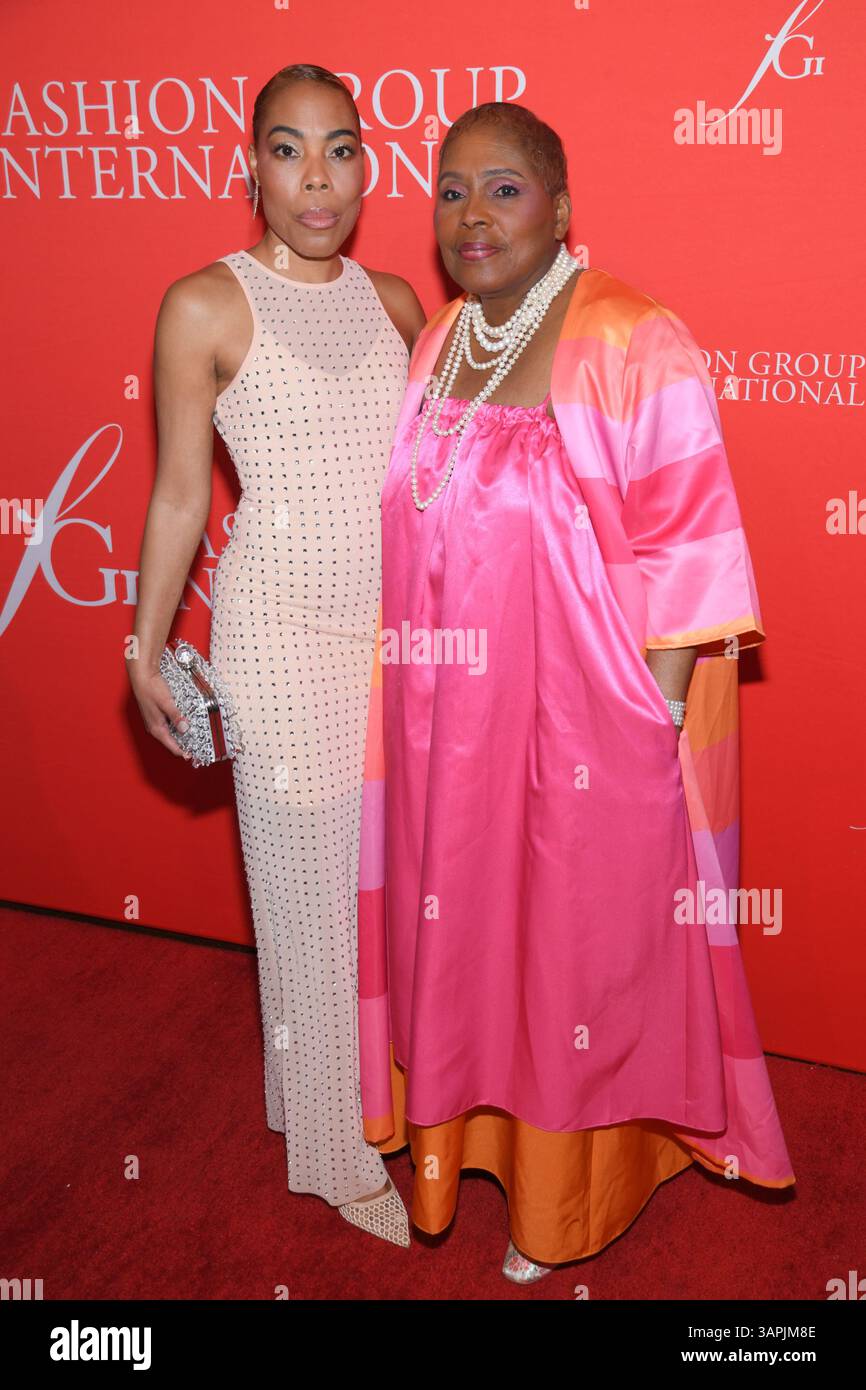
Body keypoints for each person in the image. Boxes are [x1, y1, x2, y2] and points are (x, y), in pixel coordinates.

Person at [355, 101, 795, 1282]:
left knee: (572, 956)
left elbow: (690, 541)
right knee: (467, 933)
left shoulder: (631, 334)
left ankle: (567, 1200)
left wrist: (650, 719)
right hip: (450, 725)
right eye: (450, 191)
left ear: (559, 206)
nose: (471, 215)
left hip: (584, 722)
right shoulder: (439, 339)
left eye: (503, 189)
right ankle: (462, 1142)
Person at [127, 64, 426, 1247]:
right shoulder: (203, 304)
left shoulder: (399, 301)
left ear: (366, 166)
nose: (317, 177)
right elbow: (178, 496)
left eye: (340, 149)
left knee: (374, 897)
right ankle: (336, 1156)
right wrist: (145, 648)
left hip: (388, 644)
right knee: (303, 895)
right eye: (289, 149)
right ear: (249, 163)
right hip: (275, 638)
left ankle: (338, 1093)